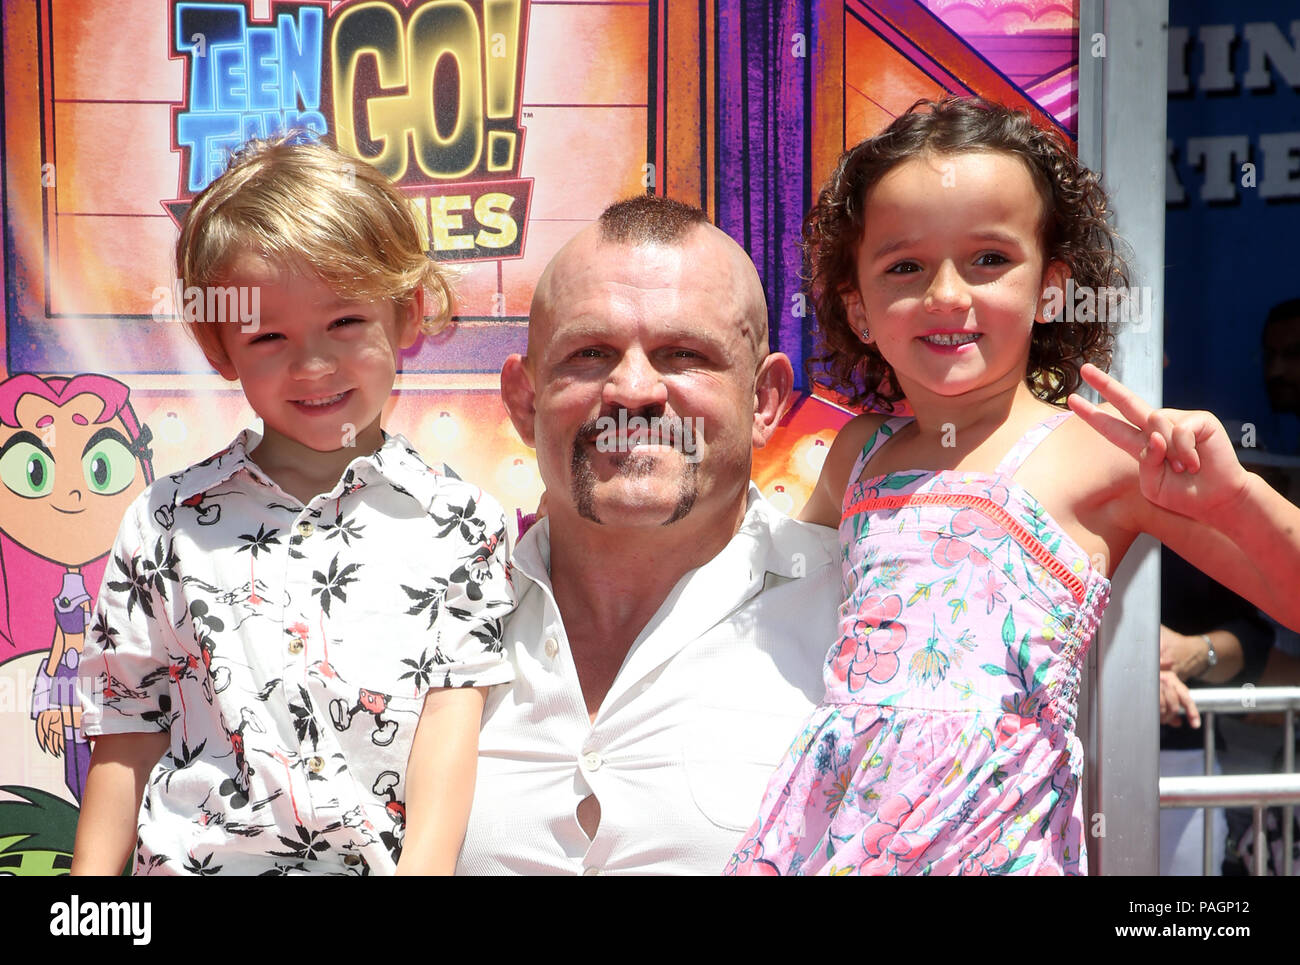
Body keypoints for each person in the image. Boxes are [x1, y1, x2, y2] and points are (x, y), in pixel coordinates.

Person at [727, 96, 1300, 876]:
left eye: (989, 259)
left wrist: (1240, 501)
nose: (948, 295)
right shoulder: (859, 454)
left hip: (992, 844)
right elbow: (769, 606)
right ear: (858, 308)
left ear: (1053, 286)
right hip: (834, 844)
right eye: (905, 266)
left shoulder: (1095, 452)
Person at [71, 135, 514, 875]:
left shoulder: (463, 522)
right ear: (219, 349)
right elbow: (126, 732)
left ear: (407, 314)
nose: (312, 364)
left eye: (344, 322)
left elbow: (449, 727)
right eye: (268, 335)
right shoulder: (165, 521)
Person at [455, 196, 842, 875]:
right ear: (524, 399)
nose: (634, 389)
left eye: (682, 353)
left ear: (764, 401)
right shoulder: (436, 616)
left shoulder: (864, 620)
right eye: (591, 351)